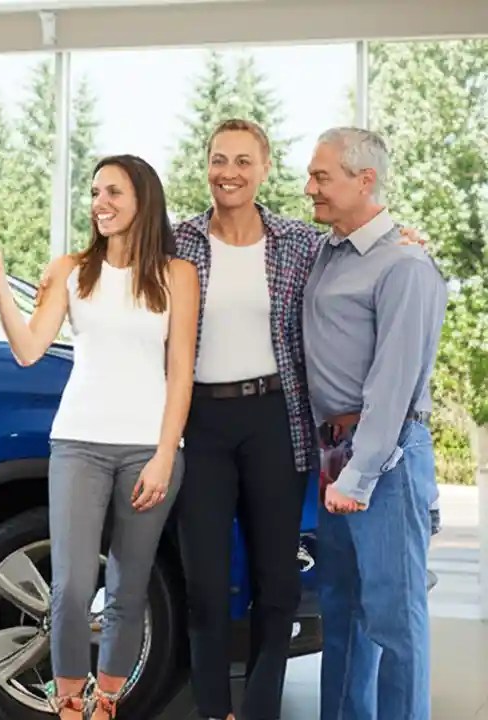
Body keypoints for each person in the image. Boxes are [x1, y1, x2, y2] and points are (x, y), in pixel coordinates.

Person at [0, 154, 199, 720]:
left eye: (114, 193)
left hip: (148, 451)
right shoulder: (73, 270)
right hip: (78, 442)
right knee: (73, 587)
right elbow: (29, 350)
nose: (100, 203)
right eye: (96, 192)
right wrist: (1, 284)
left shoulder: (178, 275)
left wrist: (163, 454)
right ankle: (69, 703)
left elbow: (181, 373)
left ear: (142, 201)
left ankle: (107, 703)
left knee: (129, 589)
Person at [170, 119, 324, 720]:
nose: (227, 172)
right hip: (201, 421)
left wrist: (405, 241)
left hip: (273, 417)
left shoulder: (297, 241)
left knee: (277, 584)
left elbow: (358, 263)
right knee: (205, 583)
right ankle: (213, 709)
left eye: (241, 161)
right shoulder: (178, 241)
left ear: (263, 169)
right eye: (217, 160)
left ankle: (259, 709)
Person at [303, 127, 446, 720]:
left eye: (321, 177)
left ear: (366, 181)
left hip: (381, 460)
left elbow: (393, 386)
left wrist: (357, 477)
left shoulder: (406, 266)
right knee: (343, 615)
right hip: (335, 453)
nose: (309, 187)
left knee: (394, 620)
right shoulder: (325, 251)